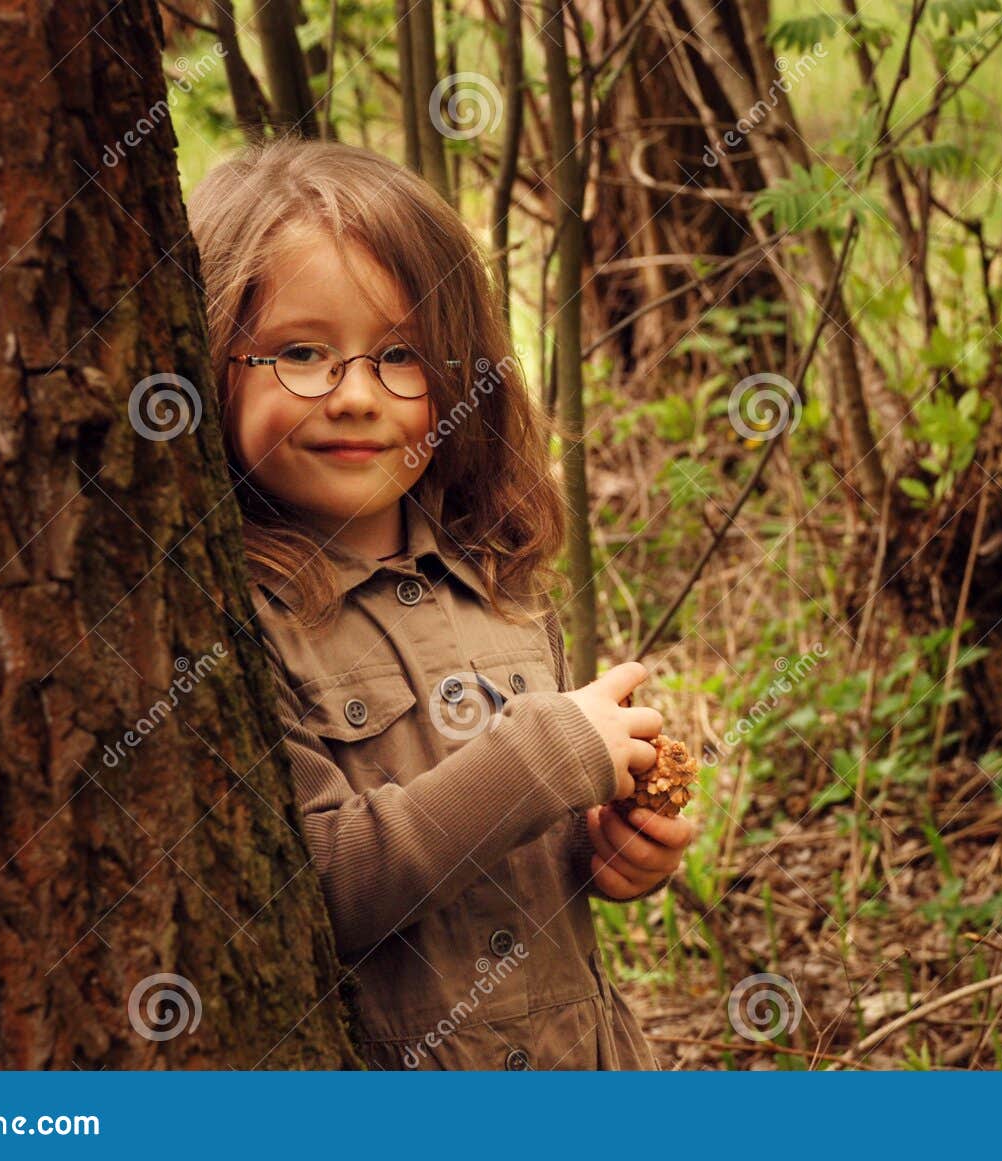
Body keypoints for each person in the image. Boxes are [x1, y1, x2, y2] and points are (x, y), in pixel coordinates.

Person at [187, 138, 695, 1069]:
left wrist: (609, 850)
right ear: (214, 356)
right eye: (301, 352)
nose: (355, 396)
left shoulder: (498, 577)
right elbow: (311, 890)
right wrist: (542, 759)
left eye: (400, 355)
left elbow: (528, 842)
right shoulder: (235, 619)